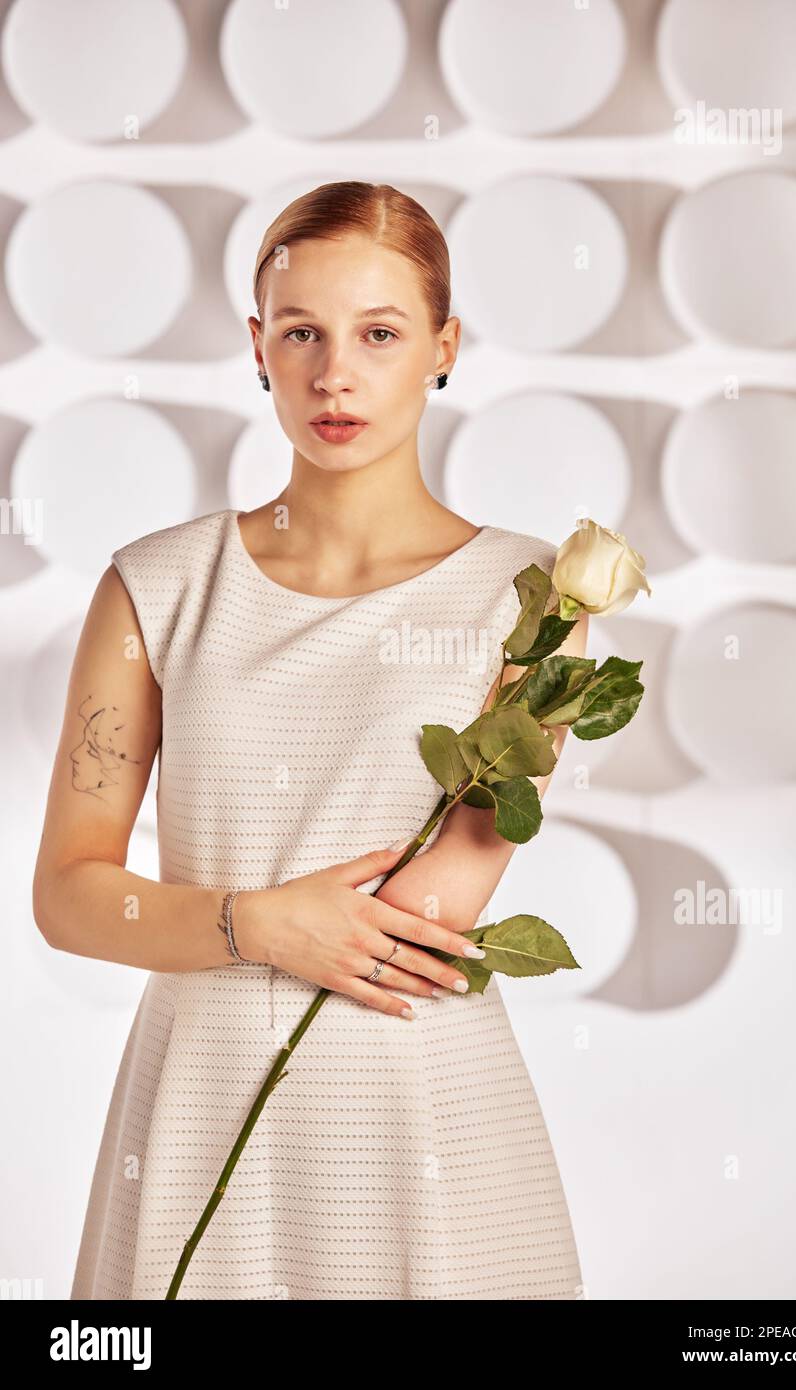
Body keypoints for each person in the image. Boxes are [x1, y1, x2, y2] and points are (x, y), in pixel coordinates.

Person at [33, 180, 589, 1300]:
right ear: (258, 346)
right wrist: (254, 923)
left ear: (443, 344)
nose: (336, 374)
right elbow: (68, 892)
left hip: (420, 1101)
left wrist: (257, 925)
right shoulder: (156, 583)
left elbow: (434, 918)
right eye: (303, 333)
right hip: (198, 1104)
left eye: (379, 334)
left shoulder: (536, 596)